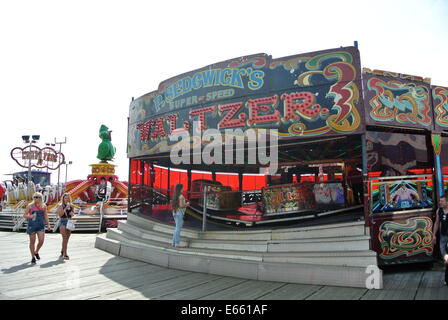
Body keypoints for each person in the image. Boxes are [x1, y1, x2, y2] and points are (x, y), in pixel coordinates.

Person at [23, 192, 51, 264]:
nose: (36, 198)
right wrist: (30, 216)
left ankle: (36, 252)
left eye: (38, 197)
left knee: (41, 241)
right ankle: (32, 257)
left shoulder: (43, 206)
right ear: (33, 198)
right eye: (35, 197)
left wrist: (48, 224)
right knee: (32, 242)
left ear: (41, 198)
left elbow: (45, 215)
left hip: (41, 225)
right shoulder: (30, 206)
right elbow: (25, 215)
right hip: (32, 225)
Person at [57, 193, 75, 260]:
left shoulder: (72, 205)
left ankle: (62, 250)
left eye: (68, 198)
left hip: (69, 222)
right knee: (64, 238)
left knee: (67, 238)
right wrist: (65, 208)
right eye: (65, 198)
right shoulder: (60, 205)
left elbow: (73, 214)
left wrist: (72, 213)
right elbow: (60, 215)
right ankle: (65, 253)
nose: (67, 199)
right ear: (63, 199)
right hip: (63, 221)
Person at [434, 194, 448, 261]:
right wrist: (434, 235)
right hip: (443, 234)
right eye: (440, 201)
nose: (440, 203)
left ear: (447, 202)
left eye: (442, 201)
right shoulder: (439, 211)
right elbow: (437, 223)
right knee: (443, 251)